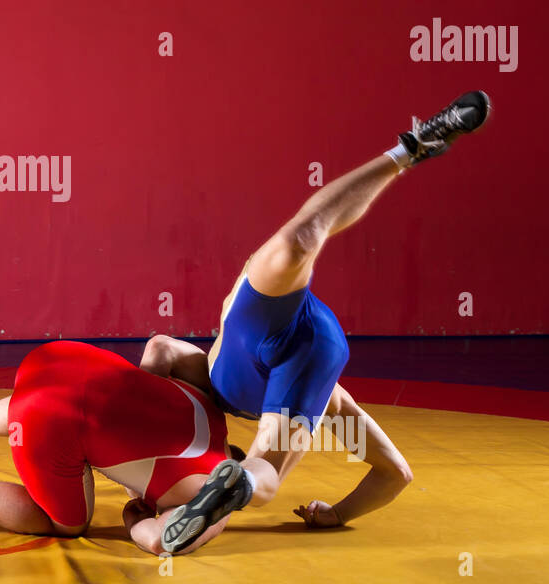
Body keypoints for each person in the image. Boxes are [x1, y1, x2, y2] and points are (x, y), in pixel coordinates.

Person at [147, 90, 491, 551]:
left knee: (297, 242)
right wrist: (336, 515)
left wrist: (142, 451)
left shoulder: (207, 382)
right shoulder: (327, 404)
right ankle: (408, 150)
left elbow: (159, 351)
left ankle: (412, 148)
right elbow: (395, 475)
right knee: (299, 240)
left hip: (270, 328)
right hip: (307, 354)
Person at [0, 339, 264, 555]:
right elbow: (160, 541)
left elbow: (160, 345)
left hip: (60, 359)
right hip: (45, 421)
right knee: (68, 525)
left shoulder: (210, 404)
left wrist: (137, 399)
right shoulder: (205, 493)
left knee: (63, 396)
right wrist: (134, 520)